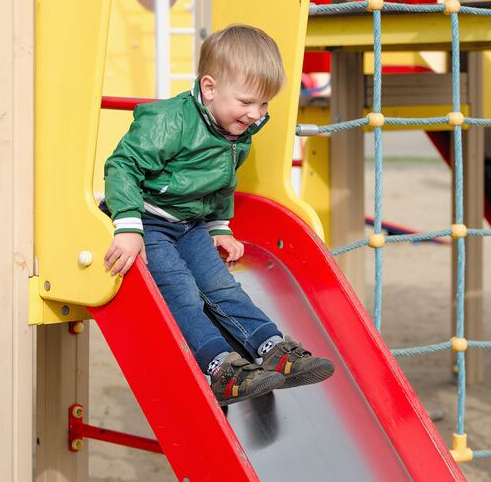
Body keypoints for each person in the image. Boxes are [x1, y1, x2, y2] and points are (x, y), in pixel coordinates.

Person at [102, 23, 335, 405]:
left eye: (264, 105)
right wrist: (127, 225)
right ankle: (218, 368)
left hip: (191, 223)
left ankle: (271, 348)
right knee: (181, 290)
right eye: (246, 102)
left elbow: (223, 180)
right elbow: (122, 165)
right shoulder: (170, 121)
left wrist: (219, 226)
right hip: (148, 219)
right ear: (209, 88)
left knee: (222, 286)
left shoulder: (236, 131)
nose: (256, 114)